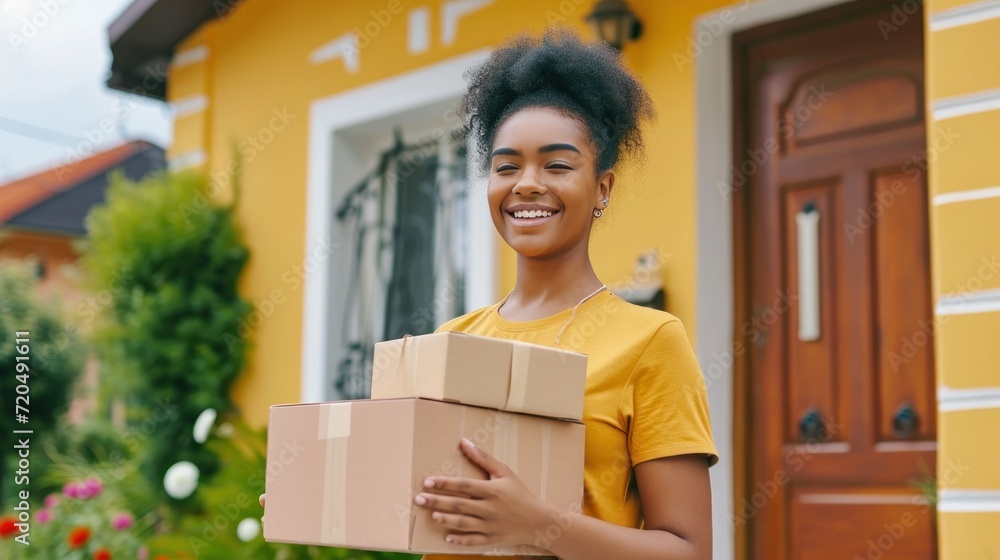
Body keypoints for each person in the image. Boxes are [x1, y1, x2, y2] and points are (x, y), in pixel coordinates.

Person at [262, 28, 717, 560]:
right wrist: (320, 494)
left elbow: (689, 550)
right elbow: (415, 503)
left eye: (557, 165)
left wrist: (539, 524)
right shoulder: (453, 339)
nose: (526, 183)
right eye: (506, 166)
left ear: (602, 187)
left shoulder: (650, 341)